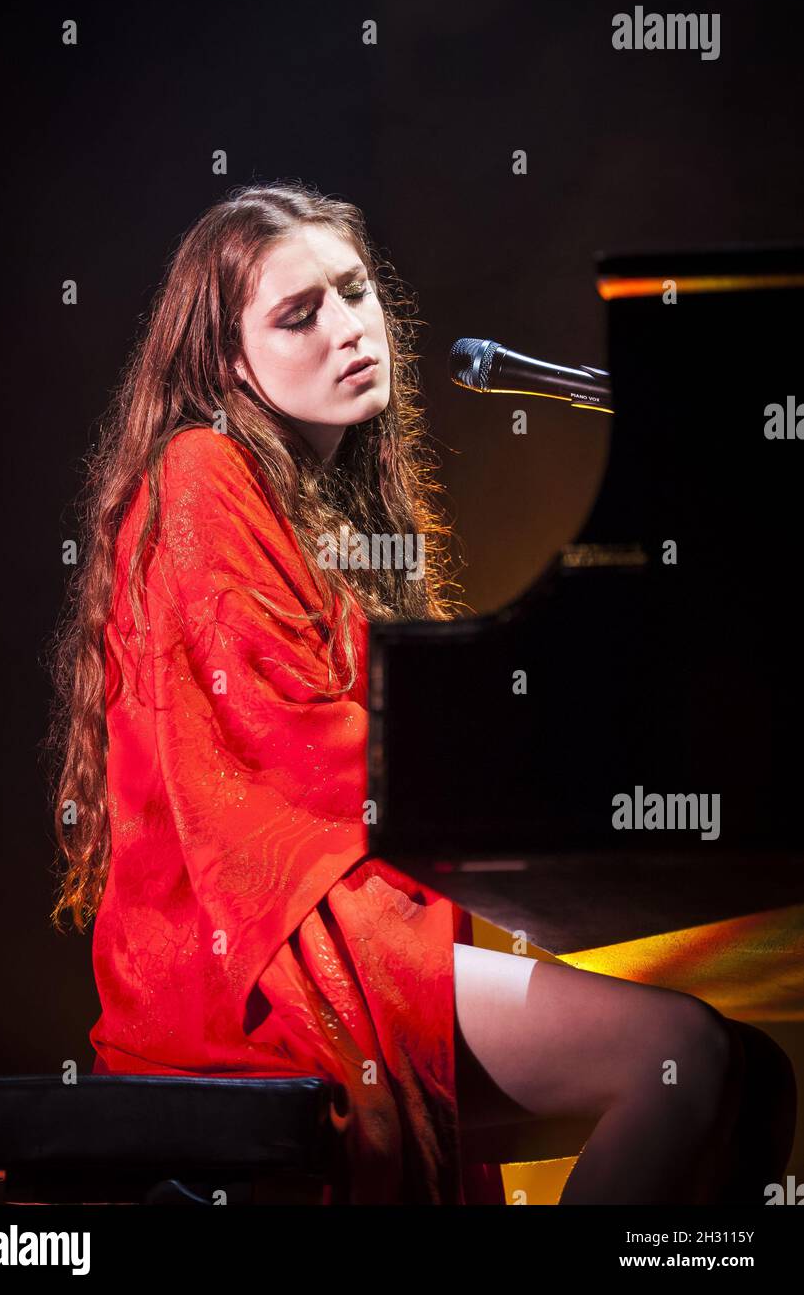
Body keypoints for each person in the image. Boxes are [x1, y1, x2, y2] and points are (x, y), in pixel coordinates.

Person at [47, 179, 796, 1205]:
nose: (348, 328)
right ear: (227, 360)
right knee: (683, 1057)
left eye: (353, 292)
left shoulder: (327, 498)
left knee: (750, 1078)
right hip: (258, 963)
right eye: (298, 314)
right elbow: (291, 739)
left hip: (331, 920)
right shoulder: (198, 472)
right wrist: (527, 741)